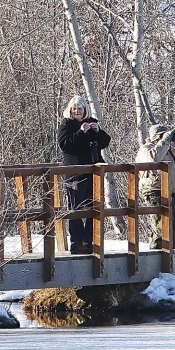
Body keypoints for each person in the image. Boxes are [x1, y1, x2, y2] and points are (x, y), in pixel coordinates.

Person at [57, 95, 111, 253]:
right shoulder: (66, 125)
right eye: (74, 109)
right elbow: (65, 146)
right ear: (70, 110)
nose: (77, 111)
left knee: (93, 208)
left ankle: (89, 241)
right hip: (74, 173)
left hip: (92, 173)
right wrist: (81, 132)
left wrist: (97, 131)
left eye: (79, 109)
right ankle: (77, 242)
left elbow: (104, 142)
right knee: (75, 209)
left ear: (84, 109)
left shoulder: (91, 122)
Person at [136, 124, 175, 250]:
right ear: (157, 137)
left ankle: (170, 261)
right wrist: (165, 140)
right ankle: (157, 260)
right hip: (156, 193)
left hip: (173, 194)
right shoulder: (146, 149)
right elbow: (154, 159)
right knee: (161, 230)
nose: (168, 139)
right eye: (165, 136)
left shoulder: (170, 151)